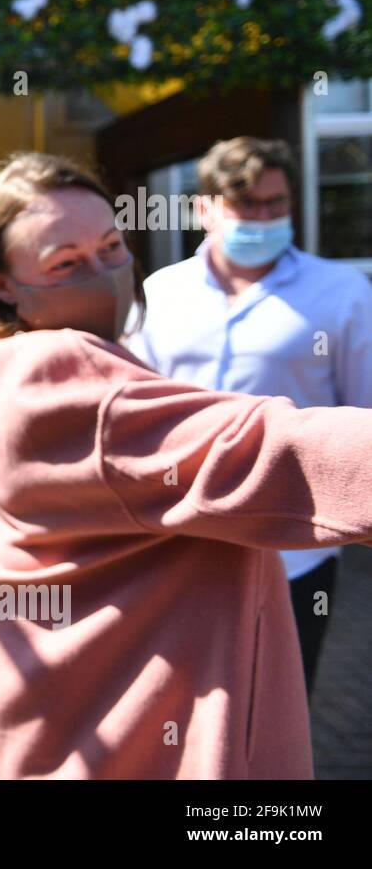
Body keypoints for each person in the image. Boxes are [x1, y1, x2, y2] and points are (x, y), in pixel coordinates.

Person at [0, 151, 372, 778]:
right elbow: (265, 450)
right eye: (66, 263)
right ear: (1, 283)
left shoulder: (17, 362)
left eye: (111, 247)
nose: (102, 274)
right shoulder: (60, 377)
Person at [125, 136, 372, 697]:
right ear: (204, 208)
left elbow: (364, 418)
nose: (263, 217)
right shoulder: (162, 293)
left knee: (281, 701)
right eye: (246, 205)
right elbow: (137, 413)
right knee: (185, 701)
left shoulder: (342, 294)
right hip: (182, 541)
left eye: (275, 203)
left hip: (295, 553)